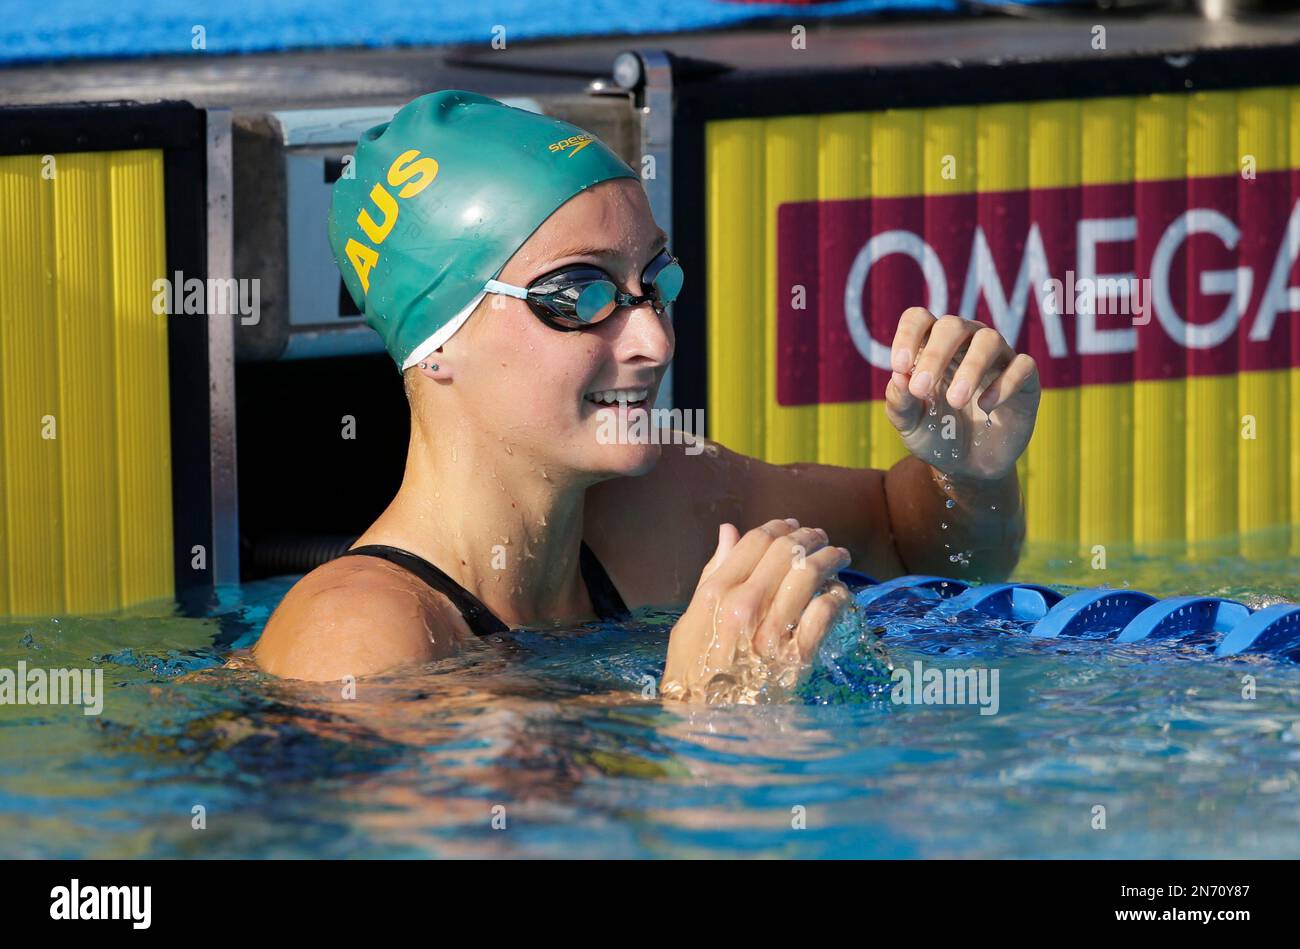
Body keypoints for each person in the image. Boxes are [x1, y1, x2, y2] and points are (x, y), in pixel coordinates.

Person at [253, 91, 1040, 699]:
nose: (653, 340)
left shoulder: (666, 507)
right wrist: (699, 717)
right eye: (580, 295)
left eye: (652, 283)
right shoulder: (360, 636)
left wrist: (967, 475)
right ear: (441, 342)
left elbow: (916, 552)